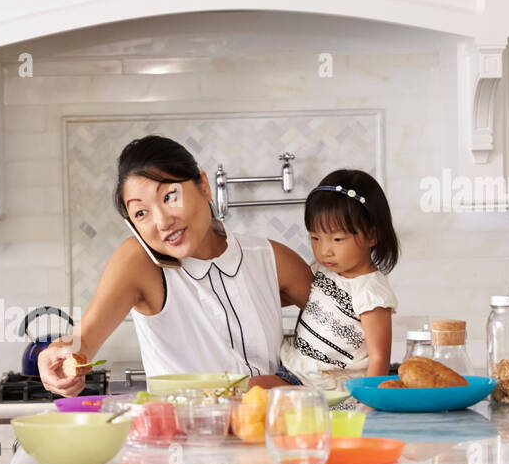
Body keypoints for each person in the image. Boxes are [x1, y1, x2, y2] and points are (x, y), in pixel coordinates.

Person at [39, 135, 314, 395]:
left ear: (203, 185)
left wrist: (294, 381)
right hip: (183, 441)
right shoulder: (139, 263)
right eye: (141, 213)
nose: (162, 221)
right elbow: (82, 340)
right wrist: (54, 354)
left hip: (275, 437)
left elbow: (346, 328)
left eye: (169, 197)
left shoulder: (269, 258)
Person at [278, 170, 399, 391]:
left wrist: (369, 405)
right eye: (315, 237)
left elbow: (379, 357)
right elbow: (292, 295)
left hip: (330, 387)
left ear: (372, 235)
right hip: (297, 372)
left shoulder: (370, 292)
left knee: (258, 391)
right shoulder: (324, 270)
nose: (324, 250)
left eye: (337, 239)